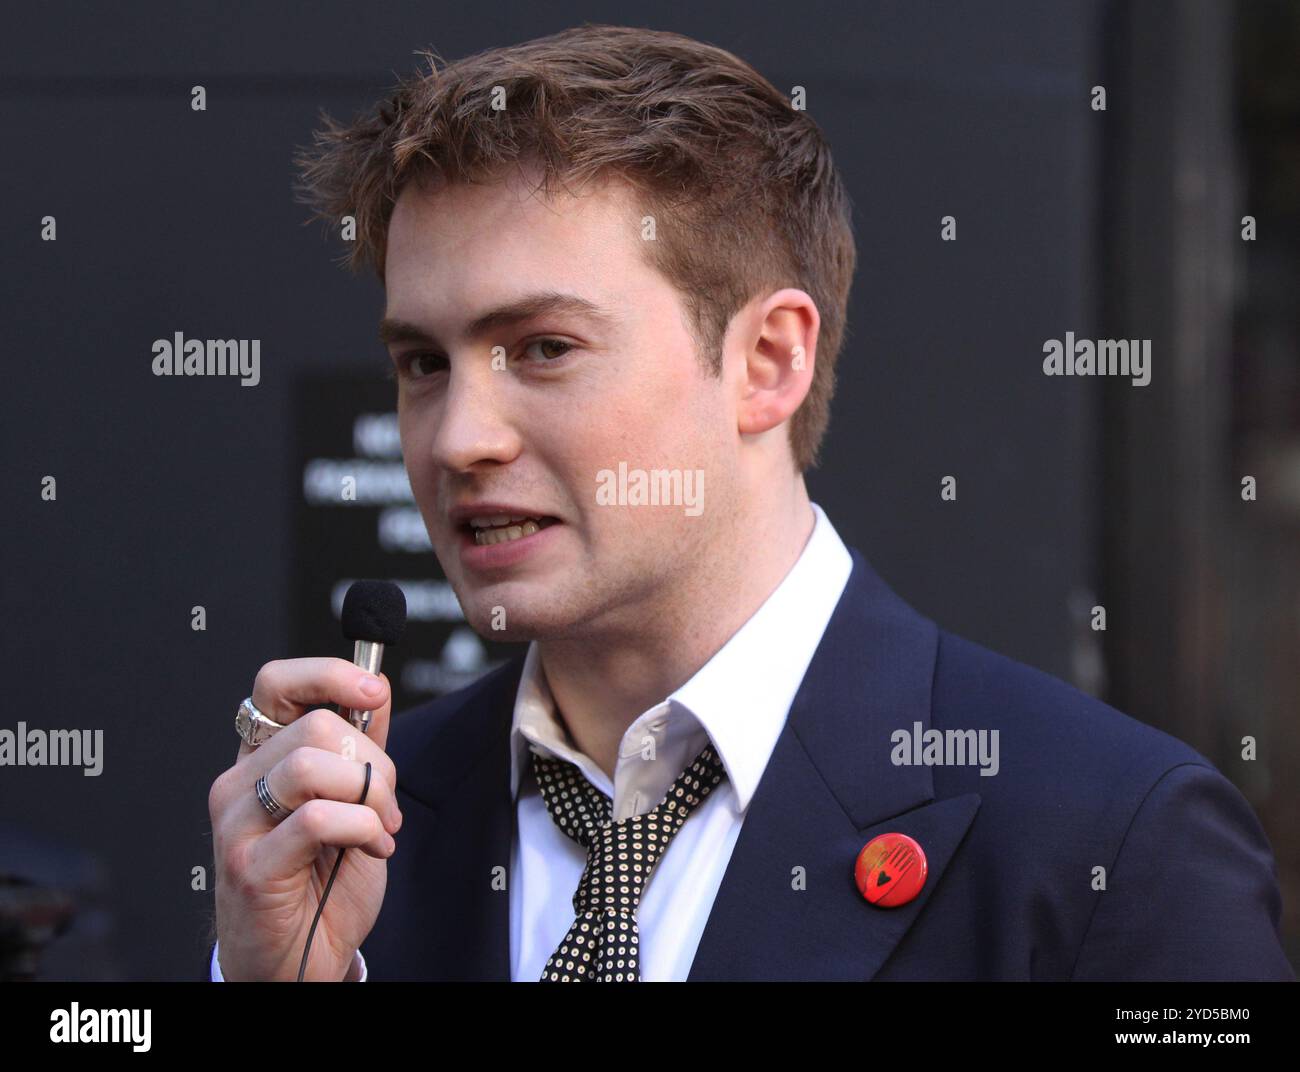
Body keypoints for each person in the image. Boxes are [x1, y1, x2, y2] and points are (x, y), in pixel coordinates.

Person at [205, 24, 1293, 981]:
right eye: (422, 363)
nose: (458, 439)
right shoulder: (360, 834)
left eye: (542, 348)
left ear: (767, 360)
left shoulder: (1110, 838)